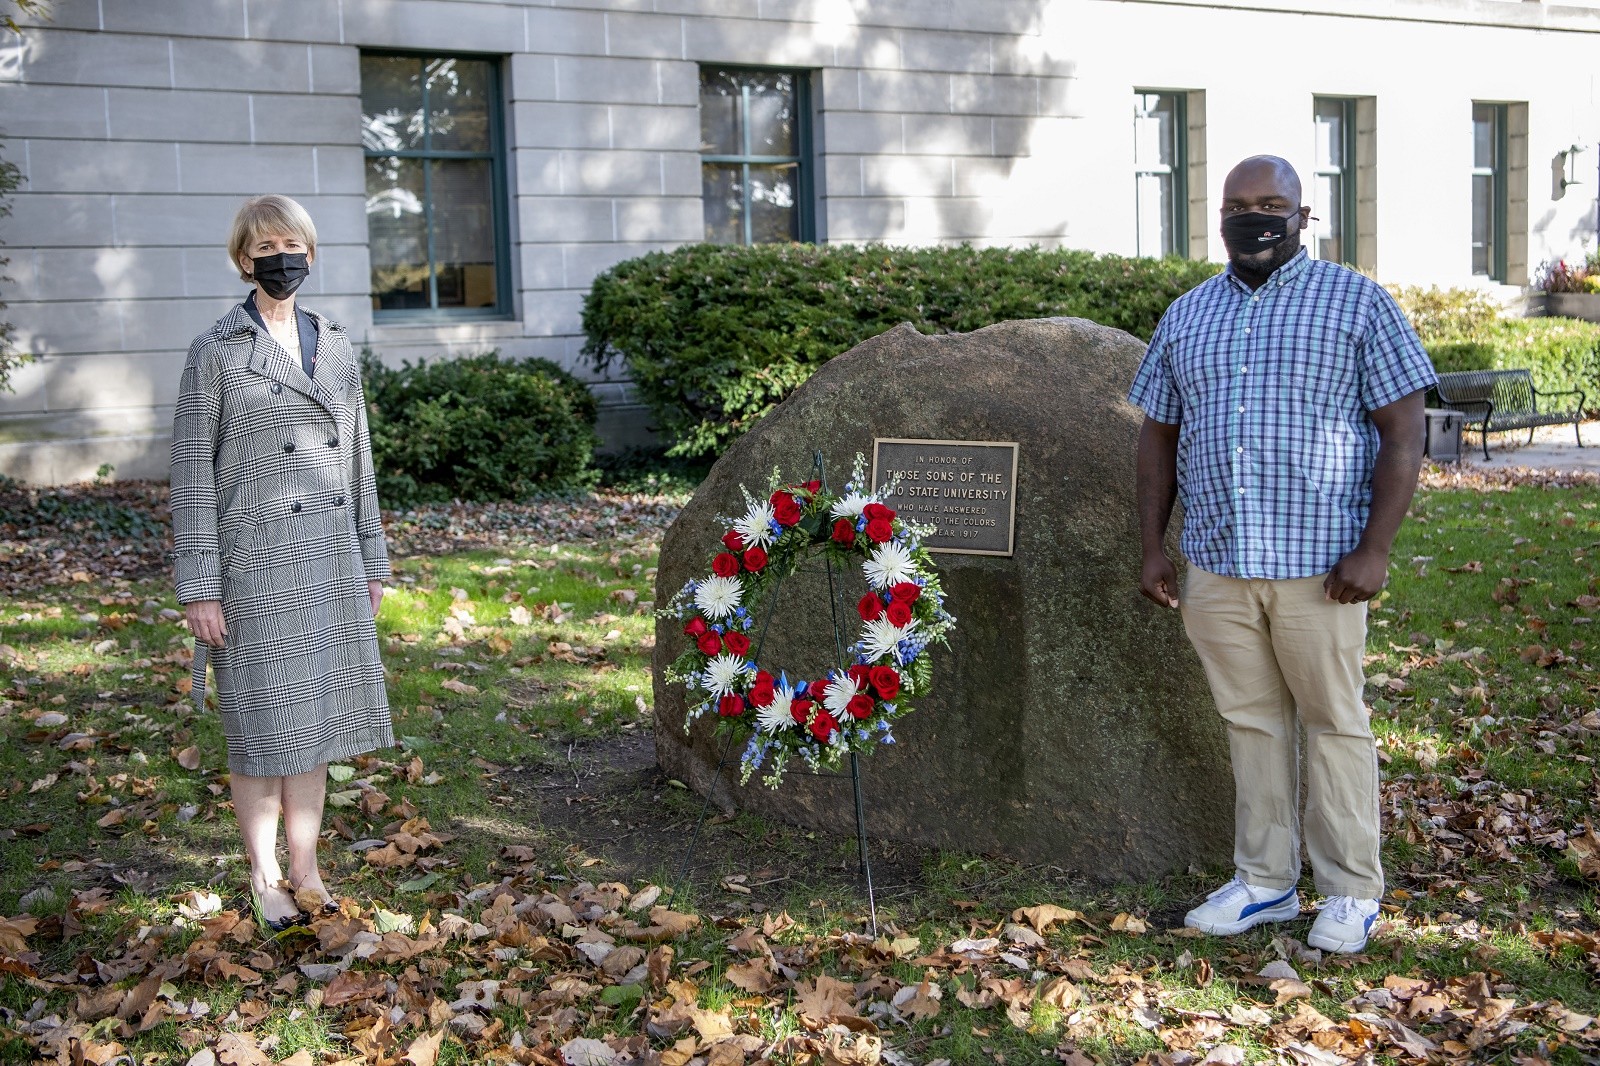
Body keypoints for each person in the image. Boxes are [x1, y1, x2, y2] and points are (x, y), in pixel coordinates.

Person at [1128, 156, 1435, 954]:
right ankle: (1265, 881)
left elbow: (1405, 433)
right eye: (1237, 206)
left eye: (1271, 204)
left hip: (1322, 567)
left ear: (1304, 216)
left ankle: (1350, 889)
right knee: (1251, 724)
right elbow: (1158, 436)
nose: (1252, 218)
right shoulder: (1187, 314)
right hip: (1218, 565)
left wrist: (1377, 548)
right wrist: (1153, 548)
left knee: (1335, 723)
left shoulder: (1359, 303)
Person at [168, 194, 393, 931]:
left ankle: (307, 869)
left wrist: (371, 561)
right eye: (264, 245)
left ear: (311, 251)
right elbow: (192, 475)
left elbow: (359, 460)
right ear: (243, 259)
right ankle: (264, 876)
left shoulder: (337, 344)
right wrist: (200, 587)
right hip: (253, 565)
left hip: (328, 558)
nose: (279, 255)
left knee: (314, 726)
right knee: (264, 729)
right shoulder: (216, 351)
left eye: (290, 241)